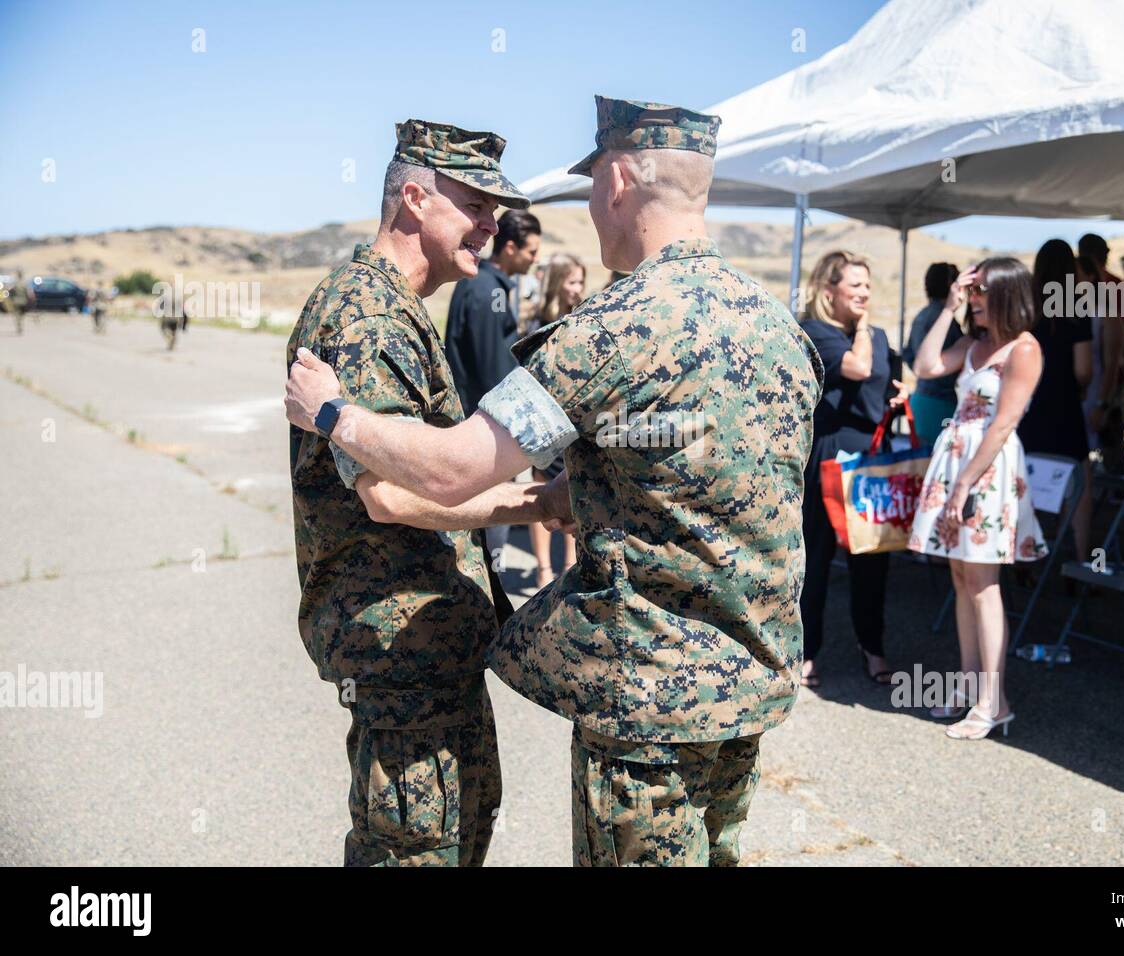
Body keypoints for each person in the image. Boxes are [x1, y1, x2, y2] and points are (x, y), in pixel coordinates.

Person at [285, 96, 824, 867]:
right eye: (474, 205)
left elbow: (452, 466)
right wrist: (556, 498)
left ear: (616, 185)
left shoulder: (609, 331)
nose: (492, 227)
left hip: (645, 710)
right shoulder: (780, 328)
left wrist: (334, 413)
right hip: (742, 695)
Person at [285, 119, 570, 867]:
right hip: (398, 649)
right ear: (414, 198)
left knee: (458, 834)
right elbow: (391, 495)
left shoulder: (400, 307)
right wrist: (534, 502)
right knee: (414, 851)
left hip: (430, 642)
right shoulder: (366, 315)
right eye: (474, 204)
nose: (492, 224)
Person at [907, 258, 1047, 740]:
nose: (975, 297)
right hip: (956, 460)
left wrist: (965, 483)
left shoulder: (1023, 349)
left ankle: (995, 701)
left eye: (983, 289)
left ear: (1008, 293)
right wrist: (948, 307)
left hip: (986, 469)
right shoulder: (973, 343)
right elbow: (925, 366)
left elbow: (1005, 422)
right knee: (962, 576)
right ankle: (969, 688)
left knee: (984, 583)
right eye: (973, 289)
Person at [798, 250, 900, 690]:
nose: (864, 293)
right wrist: (861, 331)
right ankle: (805, 652)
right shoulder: (815, 332)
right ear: (828, 290)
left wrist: (896, 397)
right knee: (816, 559)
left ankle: (872, 647)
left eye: (867, 285)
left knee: (871, 559)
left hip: (869, 457)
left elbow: (884, 379)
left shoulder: (875, 336)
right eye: (854, 285)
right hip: (827, 456)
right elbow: (857, 369)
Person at [444, 208, 543, 563]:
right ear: (511, 248)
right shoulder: (487, 291)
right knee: (491, 529)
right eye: (531, 252)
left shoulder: (484, 284)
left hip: (480, 427)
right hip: (488, 432)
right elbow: (491, 373)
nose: (535, 260)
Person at [1018, 240, 1094, 560]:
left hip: (1027, 407)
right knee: (1078, 486)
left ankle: (1025, 559)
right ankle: (1080, 559)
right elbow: (1083, 369)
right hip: (1064, 407)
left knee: (1027, 483)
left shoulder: (1025, 309)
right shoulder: (1076, 308)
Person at [524, 253, 585, 587]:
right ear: (559, 281)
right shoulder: (537, 324)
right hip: (544, 422)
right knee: (541, 492)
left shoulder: (583, 320)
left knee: (571, 495)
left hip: (571, 423)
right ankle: (544, 569)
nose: (578, 289)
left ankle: (569, 567)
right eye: (573, 281)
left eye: (581, 282)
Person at [1080, 233, 1124, 474]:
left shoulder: (1111, 285)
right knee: (1111, 425)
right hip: (1101, 365)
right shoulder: (1112, 284)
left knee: (1111, 423)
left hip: (1109, 365)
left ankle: (1114, 475)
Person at [903, 262, 961, 444]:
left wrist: (923, 374)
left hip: (920, 400)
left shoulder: (922, 315)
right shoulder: (945, 320)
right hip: (941, 404)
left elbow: (907, 353)